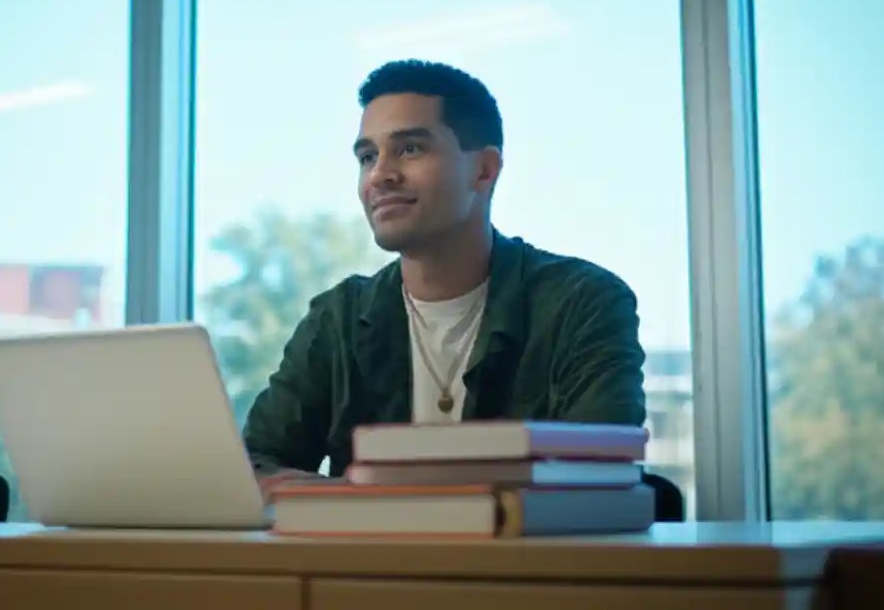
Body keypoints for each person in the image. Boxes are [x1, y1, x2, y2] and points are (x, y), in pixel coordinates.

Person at [242, 59, 647, 498]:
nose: (380, 175)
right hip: (369, 567)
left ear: (485, 170)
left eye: (410, 149)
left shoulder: (582, 303)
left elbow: (599, 475)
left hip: (523, 566)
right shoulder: (338, 318)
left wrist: (362, 498)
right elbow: (257, 465)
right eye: (367, 157)